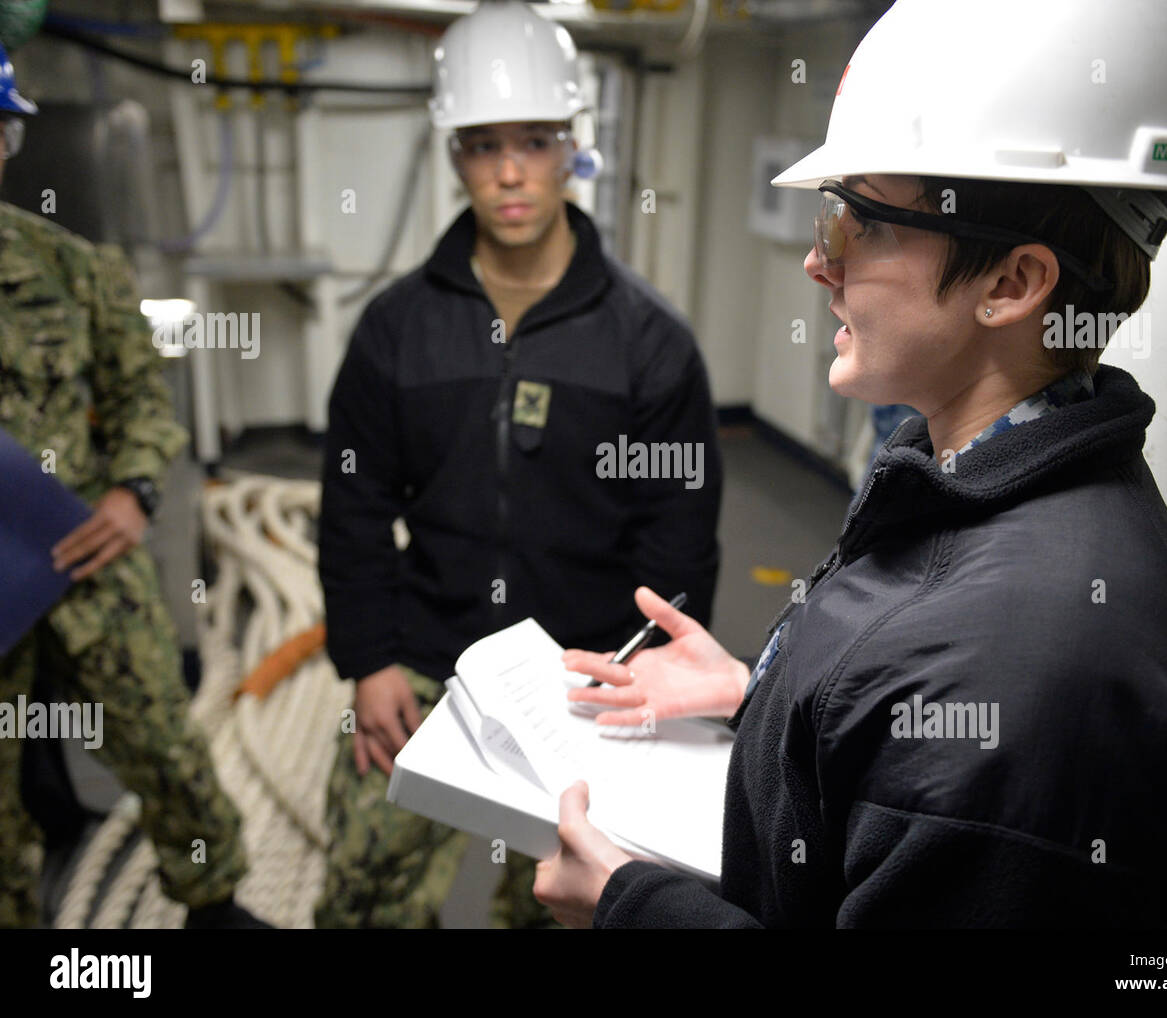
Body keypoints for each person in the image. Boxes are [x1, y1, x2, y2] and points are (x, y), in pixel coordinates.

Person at [535, 0, 1167, 928]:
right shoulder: (975, 482)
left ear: (1013, 284)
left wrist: (630, 905)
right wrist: (765, 692)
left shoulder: (1029, 673)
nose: (818, 266)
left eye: (856, 223)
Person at [315, 0, 722, 928]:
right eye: (482, 143)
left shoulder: (647, 344)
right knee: (359, 903)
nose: (508, 171)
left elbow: (679, 537)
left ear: (570, 144)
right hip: (427, 661)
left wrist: (641, 681)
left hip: (582, 674)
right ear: (453, 152)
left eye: (534, 142)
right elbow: (353, 503)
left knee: (558, 915)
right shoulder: (396, 330)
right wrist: (369, 658)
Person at [0, 41, 268, 929]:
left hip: (81, 550)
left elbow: (144, 405)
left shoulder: (73, 270)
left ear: (7, 144)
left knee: (160, 738)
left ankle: (213, 897)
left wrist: (133, 495)